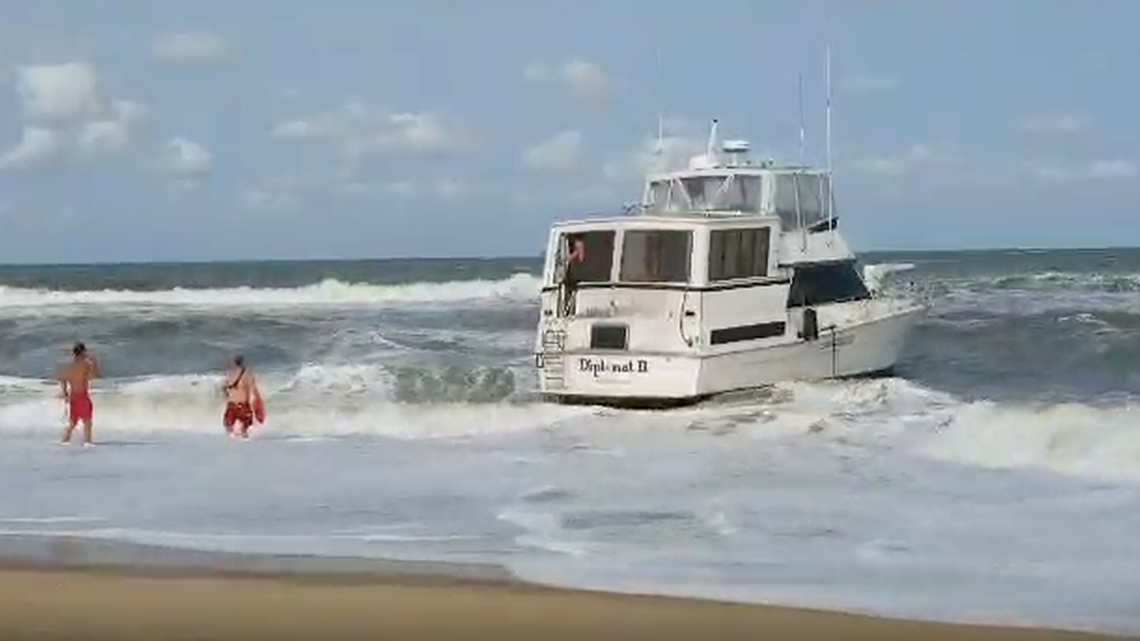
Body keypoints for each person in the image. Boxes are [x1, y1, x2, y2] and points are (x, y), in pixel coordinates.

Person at [56, 341, 99, 447]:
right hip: (82, 395)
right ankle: (88, 442)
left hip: (73, 395)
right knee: (87, 420)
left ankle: (65, 440)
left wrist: (65, 392)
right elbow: (93, 376)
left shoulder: (70, 366)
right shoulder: (86, 364)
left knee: (73, 421)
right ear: (83, 352)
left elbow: (62, 379)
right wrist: (94, 363)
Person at [221, 354, 262, 439]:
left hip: (231, 405)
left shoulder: (229, 374)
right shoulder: (247, 374)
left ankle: (231, 443)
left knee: (228, 427)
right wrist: (254, 403)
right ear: (243, 362)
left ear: (234, 363)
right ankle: (244, 444)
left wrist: (227, 397)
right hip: (242, 405)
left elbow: (223, 388)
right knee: (246, 429)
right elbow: (252, 389)